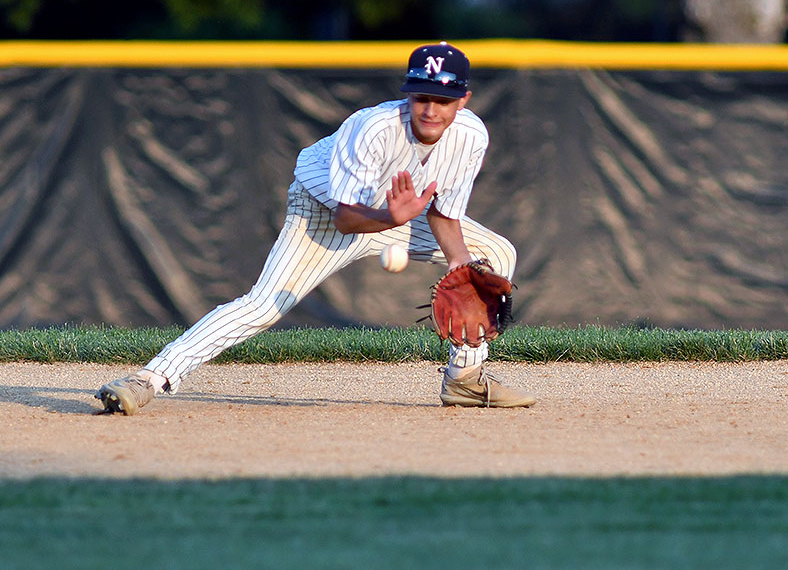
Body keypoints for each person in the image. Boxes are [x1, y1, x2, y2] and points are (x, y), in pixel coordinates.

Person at [95, 42, 536, 414]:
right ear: (407, 94)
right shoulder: (373, 128)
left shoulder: (471, 136)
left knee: (495, 254)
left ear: (464, 100)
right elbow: (347, 218)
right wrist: (392, 218)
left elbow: (443, 214)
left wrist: (459, 261)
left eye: (443, 100)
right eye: (422, 97)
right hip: (325, 214)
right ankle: (148, 380)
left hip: (399, 215)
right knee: (263, 306)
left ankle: (464, 379)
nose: (431, 109)